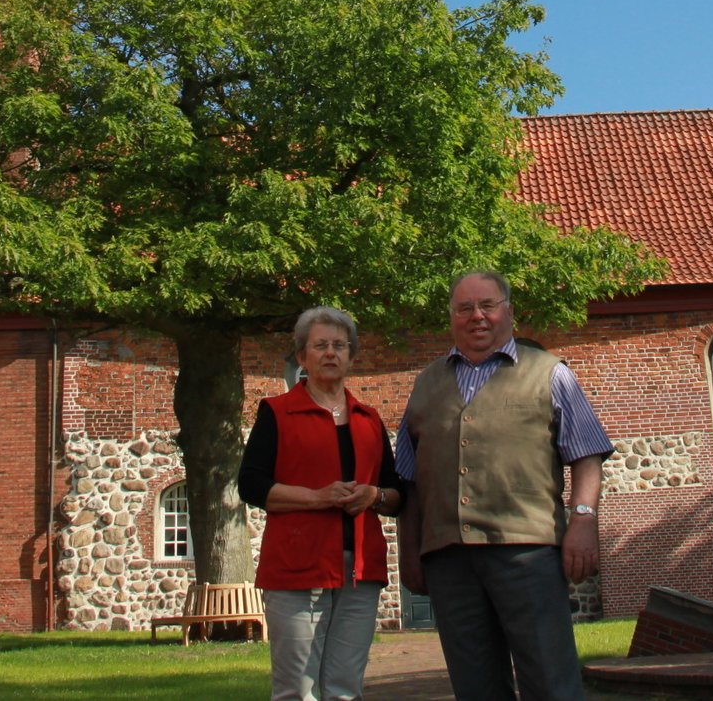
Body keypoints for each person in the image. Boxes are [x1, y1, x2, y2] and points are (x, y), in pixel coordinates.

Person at [394, 271, 612, 701]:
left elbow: (586, 455)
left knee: (551, 682)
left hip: (527, 552)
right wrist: (409, 551)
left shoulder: (549, 374)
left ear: (508, 311)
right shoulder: (425, 384)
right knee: (475, 686)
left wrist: (582, 520)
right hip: (449, 559)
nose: (477, 316)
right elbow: (408, 479)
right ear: (452, 317)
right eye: (464, 308)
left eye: (487, 305)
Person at [238, 305, 406, 701]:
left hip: (359, 569)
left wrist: (374, 496)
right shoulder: (277, 414)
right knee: (297, 689)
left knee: (346, 688)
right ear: (302, 357)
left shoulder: (369, 419)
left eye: (339, 346)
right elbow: (251, 485)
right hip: (297, 566)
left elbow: (396, 493)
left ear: (351, 356)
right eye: (320, 346)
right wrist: (317, 498)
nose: (330, 353)